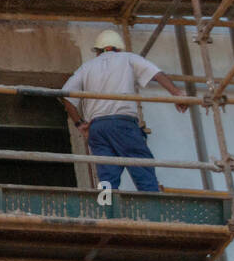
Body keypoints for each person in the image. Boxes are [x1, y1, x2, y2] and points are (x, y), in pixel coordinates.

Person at [60, 29, 188, 193]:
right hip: (123, 124)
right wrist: (177, 94)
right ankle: (153, 210)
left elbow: (65, 95)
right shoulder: (128, 58)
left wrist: (79, 123)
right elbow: (156, 73)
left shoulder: (87, 67)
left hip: (97, 128)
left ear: (98, 51)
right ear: (119, 48)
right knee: (142, 169)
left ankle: (106, 211)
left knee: (106, 177)